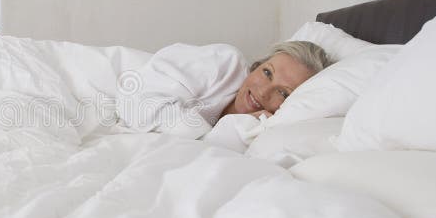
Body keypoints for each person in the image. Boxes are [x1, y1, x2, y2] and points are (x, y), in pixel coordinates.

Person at [114, 41, 330, 139]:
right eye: (267, 73)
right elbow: (138, 97)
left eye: (283, 93)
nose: (263, 93)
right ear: (256, 66)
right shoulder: (225, 63)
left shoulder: (261, 131)